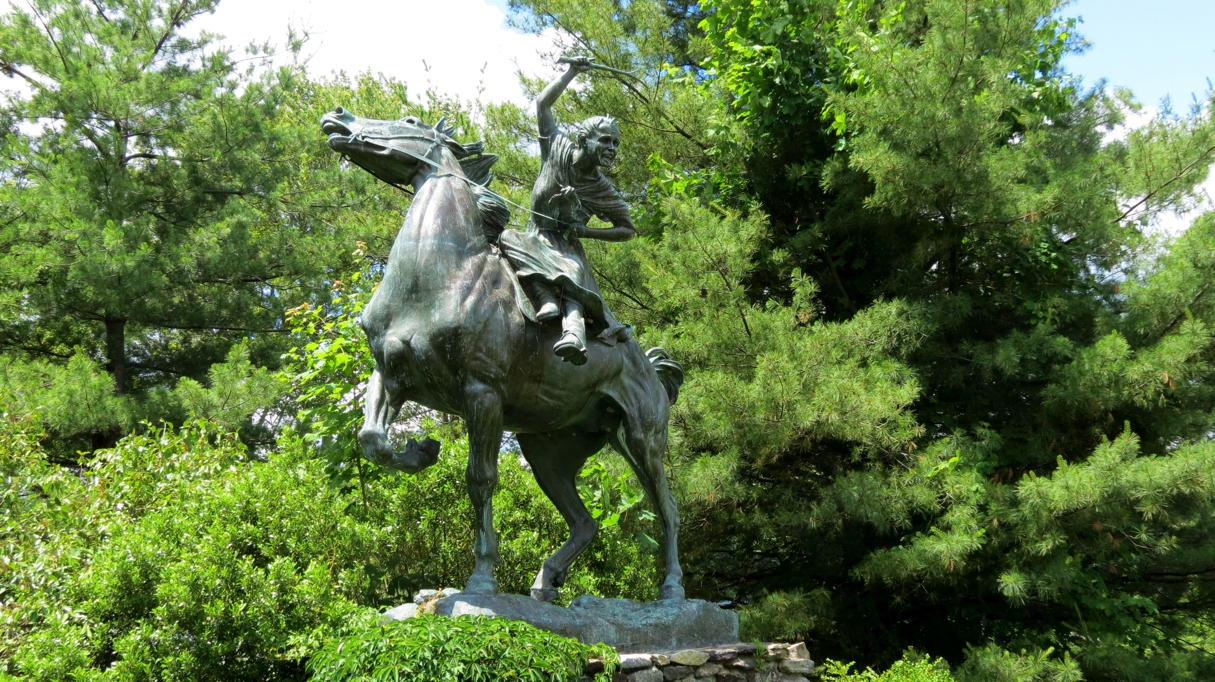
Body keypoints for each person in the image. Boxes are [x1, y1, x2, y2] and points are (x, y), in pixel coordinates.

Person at [498, 57, 635, 366]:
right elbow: (542, 105)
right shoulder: (556, 147)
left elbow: (627, 230)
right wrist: (571, 72)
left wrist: (584, 231)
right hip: (534, 234)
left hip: (565, 244)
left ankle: (574, 333)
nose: (612, 148)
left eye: (615, 142)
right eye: (605, 140)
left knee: (571, 270)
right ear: (583, 140)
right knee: (508, 236)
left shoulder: (603, 190)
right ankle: (544, 298)